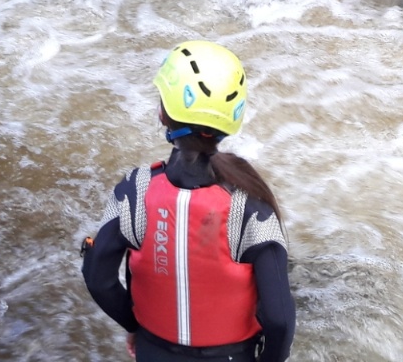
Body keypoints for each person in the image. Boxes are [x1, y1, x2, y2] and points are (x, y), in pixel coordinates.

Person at [81, 41, 294, 362]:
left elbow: (99, 279)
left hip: (154, 352)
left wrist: (134, 324)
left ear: (163, 113)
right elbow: (279, 320)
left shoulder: (134, 192)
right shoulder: (250, 207)